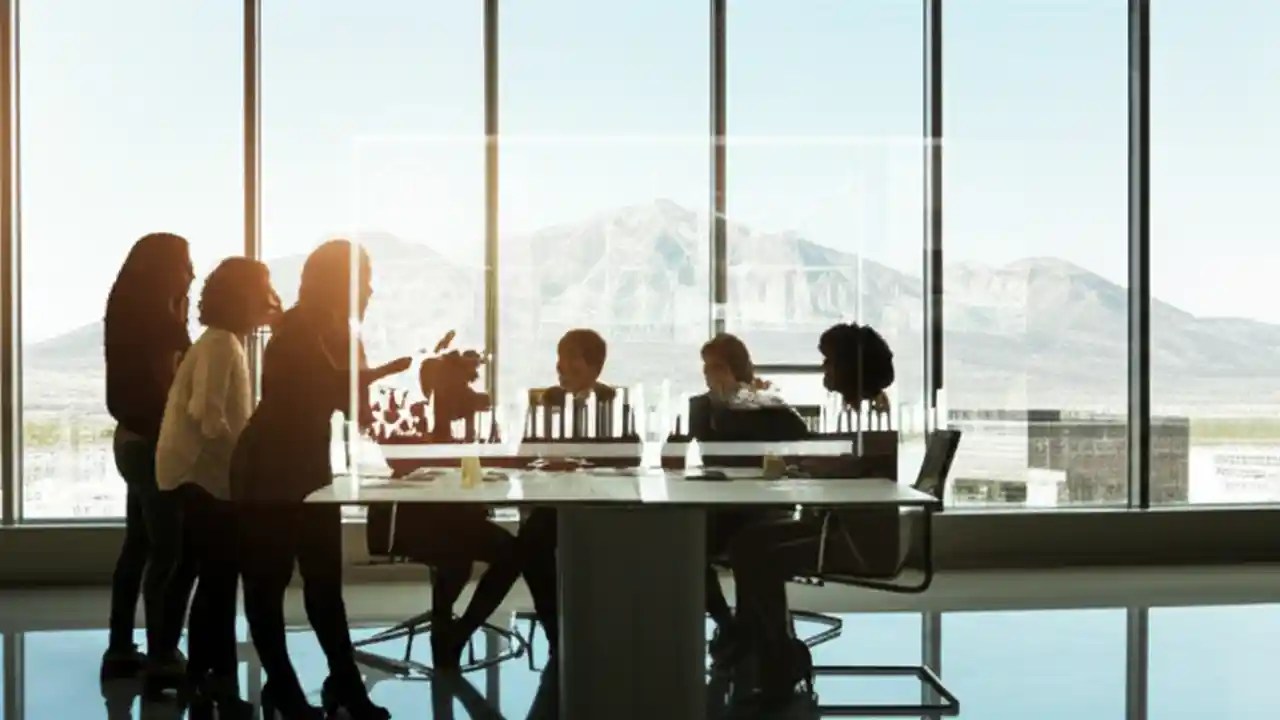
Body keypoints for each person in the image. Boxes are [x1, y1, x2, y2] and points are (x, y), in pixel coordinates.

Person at [230, 239, 410, 719]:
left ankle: (344, 686)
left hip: (307, 468)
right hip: (269, 467)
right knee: (268, 585)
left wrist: (375, 388)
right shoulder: (297, 330)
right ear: (342, 284)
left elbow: (355, 410)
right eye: (365, 281)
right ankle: (286, 691)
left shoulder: (338, 334)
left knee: (324, 584)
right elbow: (320, 388)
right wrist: (371, 374)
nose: (371, 290)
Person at [725, 322, 895, 706]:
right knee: (747, 542)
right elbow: (853, 464)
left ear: (849, 368)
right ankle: (769, 649)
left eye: (829, 362)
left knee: (755, 552)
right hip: (837, 528)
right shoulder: (860, 412)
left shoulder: (870, 416)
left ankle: (772, 657)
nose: (824, 370)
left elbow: (864, 470)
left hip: (856, 541)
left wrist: (813, 465)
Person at [154, 258, 280, 709]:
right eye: (263, 291)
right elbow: (209, 417)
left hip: (195, 475)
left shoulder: (217, 340)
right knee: (220, 579)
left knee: (200, 574)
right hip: (207, 477)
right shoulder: (224, 344)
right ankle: (219, 675)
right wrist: (246, 459)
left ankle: (196, 672)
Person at [102, 233, 198, 682]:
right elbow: (173, 386)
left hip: (130, 441)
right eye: (185, 264)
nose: (192, 273)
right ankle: (163, 653)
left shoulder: (126, 314)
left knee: (138, 546)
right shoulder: (160, 322)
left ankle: (121, 647)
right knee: (170, 553)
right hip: (157, 445)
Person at [692, 333, 809, 669]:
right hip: (724, 502)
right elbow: (714, 450)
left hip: (764, 504)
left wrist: (746, 400)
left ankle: (749, 632)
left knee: (750, 542)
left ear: (737, 368)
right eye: (706, 367)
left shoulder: (765, 403)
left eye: (716, 367)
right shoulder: (702, 406)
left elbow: (802, 439)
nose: (708, 374)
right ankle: (729, 624)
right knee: (686, 542)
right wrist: (724, 404)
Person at [518, 328, 615, 648]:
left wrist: (582, 462)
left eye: (573, 364)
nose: (562, 370)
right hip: (553, 496)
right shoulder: (549, 399)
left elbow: (631, 456)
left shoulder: (611, 400)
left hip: (597, 500)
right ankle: (554, 630)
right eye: (560, 361)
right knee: (531, 545)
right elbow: (524, 454)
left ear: (595, 369)